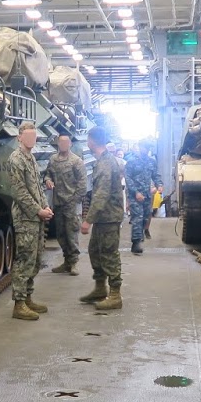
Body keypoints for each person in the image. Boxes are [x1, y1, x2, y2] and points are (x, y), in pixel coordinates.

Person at [5, 121, 52, 320]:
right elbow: (20, 192)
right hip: (25, 218)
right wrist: (37, 211)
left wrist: (45, 206)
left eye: (35, 136)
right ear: (19, 137)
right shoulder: (16, 159)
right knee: (24, 259)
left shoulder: (30, 157)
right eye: (29, 136)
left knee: (35, 259)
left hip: (36, 216)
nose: (33, 139)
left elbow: (38, 187)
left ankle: (28, 298)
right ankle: (19, 304)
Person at [79, 125, 125, 311]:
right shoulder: (102, 160)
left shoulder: (106, 163)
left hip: (108, 217)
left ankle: (115, 295)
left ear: (92, 141)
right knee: (95, 251)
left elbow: (101, 195)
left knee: (108, 254)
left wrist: (87, 220)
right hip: (103, 218)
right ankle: (100, 288)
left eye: (88, 139)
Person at [44, 133, 87, 276]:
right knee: (61, 234)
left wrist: (74, 201)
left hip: (71, 204)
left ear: (70, 144)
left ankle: (74, 262)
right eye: (60, 142)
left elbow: (82, 184)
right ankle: (67, 261)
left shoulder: (76, 161)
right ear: (58, 144)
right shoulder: (53, 160)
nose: (63, 145)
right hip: (58, 203)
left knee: (72, 234)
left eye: (65, 142)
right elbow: (48, 174)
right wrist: (48, 180)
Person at [124, 142, 162, 254]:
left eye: (148, 148)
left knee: (146, 217)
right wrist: (135, 192)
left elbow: (155, 175)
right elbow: (128, 178)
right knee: (137, 218)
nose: (145, 150)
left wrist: (159, 184)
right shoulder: (131, 162)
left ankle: (141, 235)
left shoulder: (151, 162)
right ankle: (136, 243)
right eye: (144, 147)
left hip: (147, 194)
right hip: (135, 195)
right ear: (140, 147)